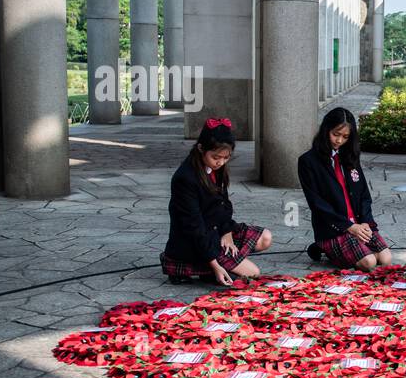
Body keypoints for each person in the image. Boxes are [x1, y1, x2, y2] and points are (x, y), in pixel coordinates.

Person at [161, 118, 272, 286]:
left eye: (226, 158)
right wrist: (215, 264)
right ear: (200, 148)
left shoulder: (216, 168)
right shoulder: (185, 178)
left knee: (265, 238)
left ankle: (216, 267)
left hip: (216, 229)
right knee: (253, 273)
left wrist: (226, 232)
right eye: (216, 157)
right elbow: (194, 226)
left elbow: (223, 204)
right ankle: (192, 265)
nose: (220, 162)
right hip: (196, 239)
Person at [297, 107, 392, 271]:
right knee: (369, 262)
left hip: (358, 224)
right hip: (333, 228)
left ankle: (335, 250)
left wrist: (366, 223)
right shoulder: (308, 161)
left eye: (345, 137)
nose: (339, 141)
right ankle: (325, 246)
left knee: (386, 258)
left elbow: (364, 195)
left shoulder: (349, 156)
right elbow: (317, 204)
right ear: (326, 129)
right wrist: (349, 227)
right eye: (335, 134)